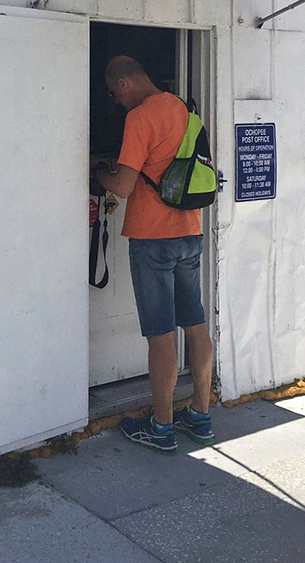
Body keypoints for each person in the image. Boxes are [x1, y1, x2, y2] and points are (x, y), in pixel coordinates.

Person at [94, 55, 215, 455]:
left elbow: (124, 186)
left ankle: (161, 427)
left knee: (160, 334)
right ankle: (200, 415)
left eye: (114, 94)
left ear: (123, 84)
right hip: (190, 232)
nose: (117, 101)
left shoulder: (140, 117)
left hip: (153, 240)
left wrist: (99, 174)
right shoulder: (181, 107)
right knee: (195, 325)